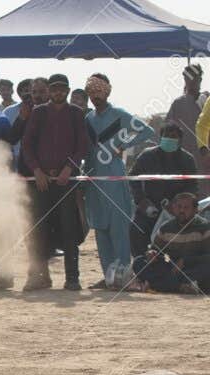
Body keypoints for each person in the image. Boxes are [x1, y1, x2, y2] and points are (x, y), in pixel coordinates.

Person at [20, 73, 90, 290]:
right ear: (49, 90)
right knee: (38, 229)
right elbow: (27, 144)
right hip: (41, 181)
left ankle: (72, 278)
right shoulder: (39, 112)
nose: (58, 92)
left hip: (65, 181)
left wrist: (69, 168)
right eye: (54, 88)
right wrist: (37, 170)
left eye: (62, 89)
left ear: (68, 91)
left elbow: (82, 146)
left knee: (69, 229)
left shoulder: (76, 114)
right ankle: (40, 276)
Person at [85, 73, 155, 289]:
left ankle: (124, 274)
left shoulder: (119, 114)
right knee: (101, 228)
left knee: (118, 228)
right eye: (91, 91)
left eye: (99, 91)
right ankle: (109, 277)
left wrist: (123, 145)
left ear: (107, 91)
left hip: (114, 177)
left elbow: (147, 131)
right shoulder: (88, 119)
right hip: (93, 178)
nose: (95, 95)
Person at [128, 122, 201, 252]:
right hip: (150, 207)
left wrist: (177, 205)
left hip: (177, 211)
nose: (170, 139)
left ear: (179, 140)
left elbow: (192, 186)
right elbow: (133, 178)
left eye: (173, 137)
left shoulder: (187, 159)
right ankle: (141, 263)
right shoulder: (147, 156)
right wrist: (142, 201)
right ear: (161, 137)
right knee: (136, 230)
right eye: (166, 136)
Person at [130, 190, 210, 292]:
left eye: (186, 208)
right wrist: (151, 254)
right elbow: (156, 251)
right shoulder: (166, 227)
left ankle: (159, 284)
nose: (182, 210)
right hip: (170, 267)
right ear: (173, 208)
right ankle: (181, 286)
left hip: (193, 267)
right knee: (139, 262)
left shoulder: (204, 227)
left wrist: (186, 261)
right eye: (179, 207)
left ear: (195, 210)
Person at [167, 64, 204, 149]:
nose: (191, 81)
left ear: (200, 79)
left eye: (194, 78)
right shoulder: (177, 104)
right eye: (188, 78)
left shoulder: (206, 101)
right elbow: (169, 129)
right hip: (183, 154)